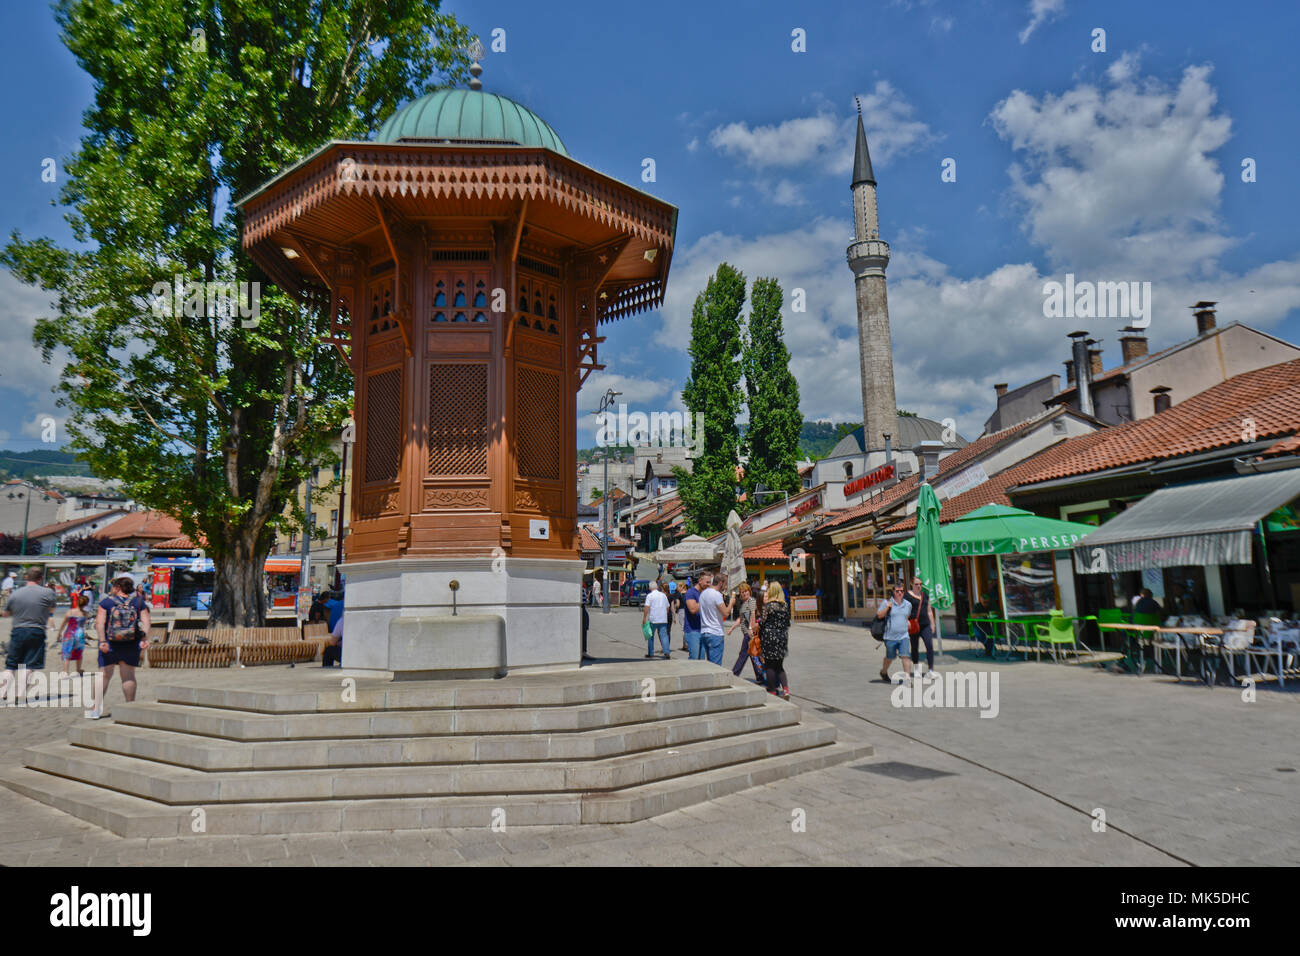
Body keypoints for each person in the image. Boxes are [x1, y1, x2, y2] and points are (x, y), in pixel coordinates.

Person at [85, 574, 151, 719]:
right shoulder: (139, 602)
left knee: (103, 676)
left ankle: (95, 709)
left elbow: (100, 623)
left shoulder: (107, 603)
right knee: (128, 676)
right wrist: (144, 638)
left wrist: (102, 641)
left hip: (109, 643)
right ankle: (129, 707)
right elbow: (146, 621)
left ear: (118, 587)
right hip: (131, 643)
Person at [1, 567, 57, 702]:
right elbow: (52, 609)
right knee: (29, 664)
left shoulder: (16, 593)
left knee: (11, 665)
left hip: (18, 630)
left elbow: (6, 613)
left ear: (26, 577)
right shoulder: (48, 593)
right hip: (37, 630)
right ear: (40, 579)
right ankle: (20, 694)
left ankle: (2, 692)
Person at [759, 582, 791, 699]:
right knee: (779, 665)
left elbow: (762, 623)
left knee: (770, 666)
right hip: (782, 637)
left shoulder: (768, 606)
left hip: (769, 637)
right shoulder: (785, 606)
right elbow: (788, 623)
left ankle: (772, 690)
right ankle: (786, 690)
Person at [877, 584, 914, 683]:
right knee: (890, 657)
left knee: (905, 656)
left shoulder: (908, 604)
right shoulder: (887, 602)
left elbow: (906, 616)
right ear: (893, 592)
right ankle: (884, 672)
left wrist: (908, 622)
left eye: (902, 591)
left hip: (904, 636)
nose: (900, 593)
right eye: (897, 591)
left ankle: (907, 678)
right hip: (890, 637)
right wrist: (887, 608)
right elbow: (879, 615)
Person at [697, 571, 734, 666]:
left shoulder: (703, 594)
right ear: (720, 583)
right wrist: (731, 603)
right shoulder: (716, 595)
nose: (725, 587)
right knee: (716, 666)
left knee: (710, 665)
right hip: (715, 632)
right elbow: (725, 613)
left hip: (704, 631)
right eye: (725, 584)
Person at [728, 582, 764, 681]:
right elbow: (741, 619)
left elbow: (752, 614)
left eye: (746, 591)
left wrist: (750, 629)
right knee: (753, 655)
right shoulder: (744, 604)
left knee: (744, 654)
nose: (744, 593)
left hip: (750, 633)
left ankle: (735, 673)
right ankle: (761, 676)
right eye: (742, 592)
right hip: (747, 633)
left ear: (749, 591)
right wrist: (732, 628)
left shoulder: (751, 601)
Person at [908, 575, 939, 677]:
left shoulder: (925, 595)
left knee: (929, 645)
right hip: (913, 625)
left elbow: (929, 611)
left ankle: (930, 670)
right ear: (911, 584)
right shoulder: (907, 596)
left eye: (920, 584)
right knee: (914, 646)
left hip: (925, 625)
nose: (919, 586)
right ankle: (916, 669)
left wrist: (932, 624)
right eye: (916, 584)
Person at [59, 593, 90, 677]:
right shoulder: (86, 614)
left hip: (69, 633)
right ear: (86, 604)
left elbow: (63, 623)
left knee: (66, 651)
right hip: (80, 634)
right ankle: (78, 669)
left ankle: (65, 671)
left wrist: (59, 633)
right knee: (79, 652)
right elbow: (84, 623)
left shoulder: (70, 612)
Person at [642, 579, 671, 659]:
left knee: (650, 636)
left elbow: (646, 607)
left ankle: (651, 653)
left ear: (650, 588)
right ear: (657, 587)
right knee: (664, 636)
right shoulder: (663, 595)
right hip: (663, 619)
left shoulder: (649, 596)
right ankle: (667, 652)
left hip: (653, 619)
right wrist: (665, 614)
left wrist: (644, 618)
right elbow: (667, 607)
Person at [682, 575, 704, 659]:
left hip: (702, 629)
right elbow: (693, 609)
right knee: (694, 659)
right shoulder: (691, 592)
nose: (709, 584)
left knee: (702, 660)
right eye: (707, 582)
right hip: (692, 630)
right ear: (700, 581)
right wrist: (705, 599)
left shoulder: (703, 592)